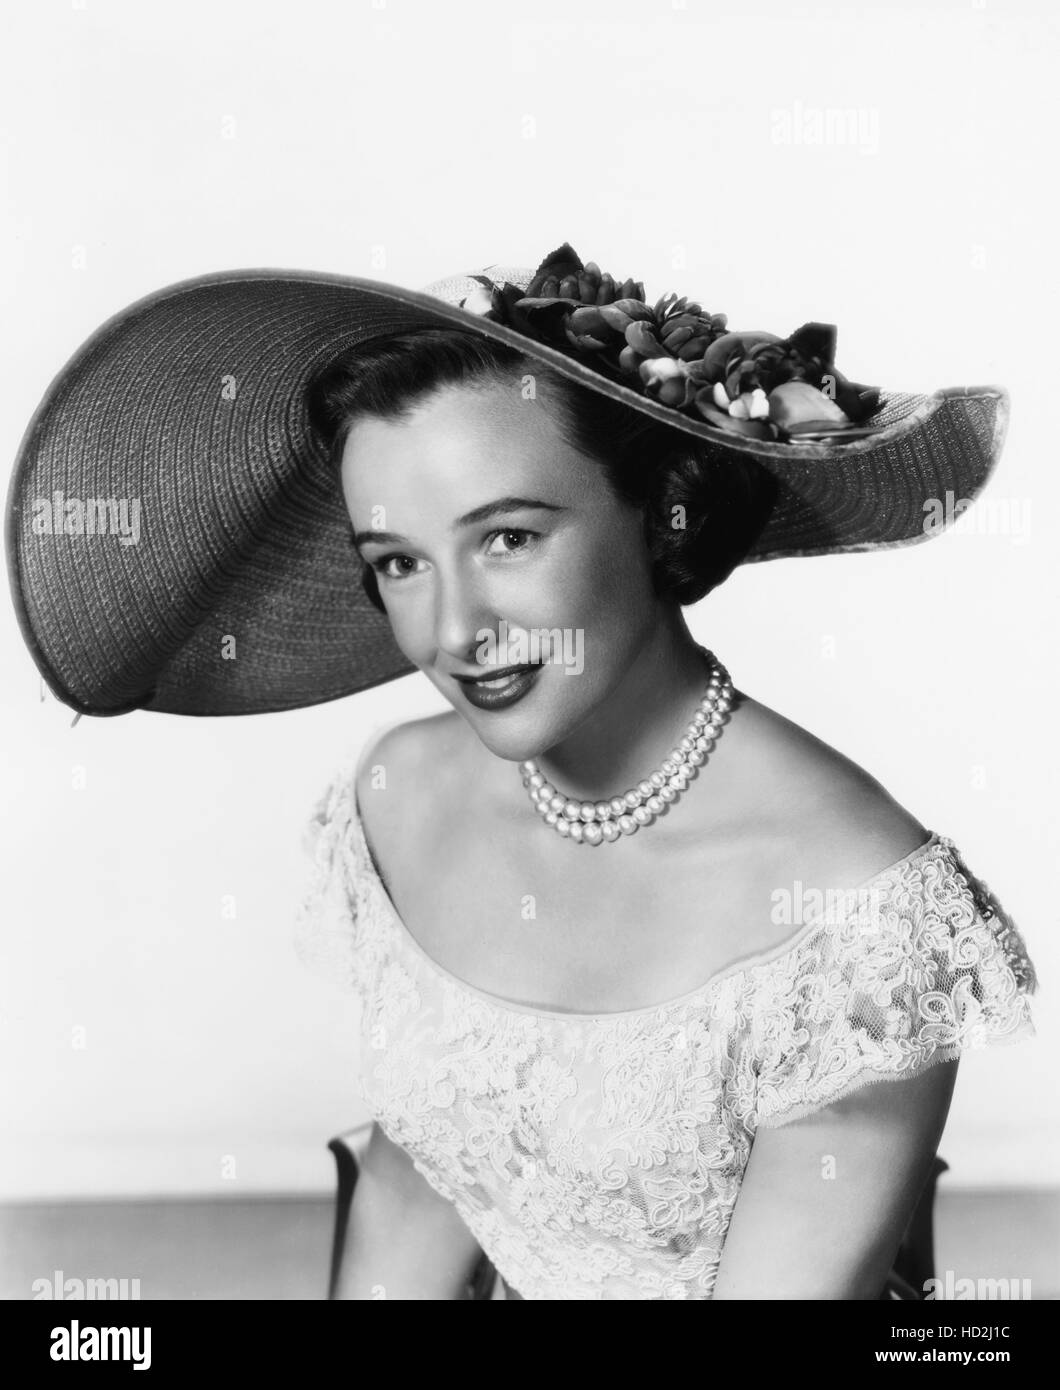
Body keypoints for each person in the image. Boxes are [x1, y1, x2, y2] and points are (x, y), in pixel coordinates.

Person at [7, 241, 1038, 1301]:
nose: (455, 631)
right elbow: (431, 1171)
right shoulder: (402, 799)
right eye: (398, 563)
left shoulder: (862, 920)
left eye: (506, 538)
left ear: (662, 510)